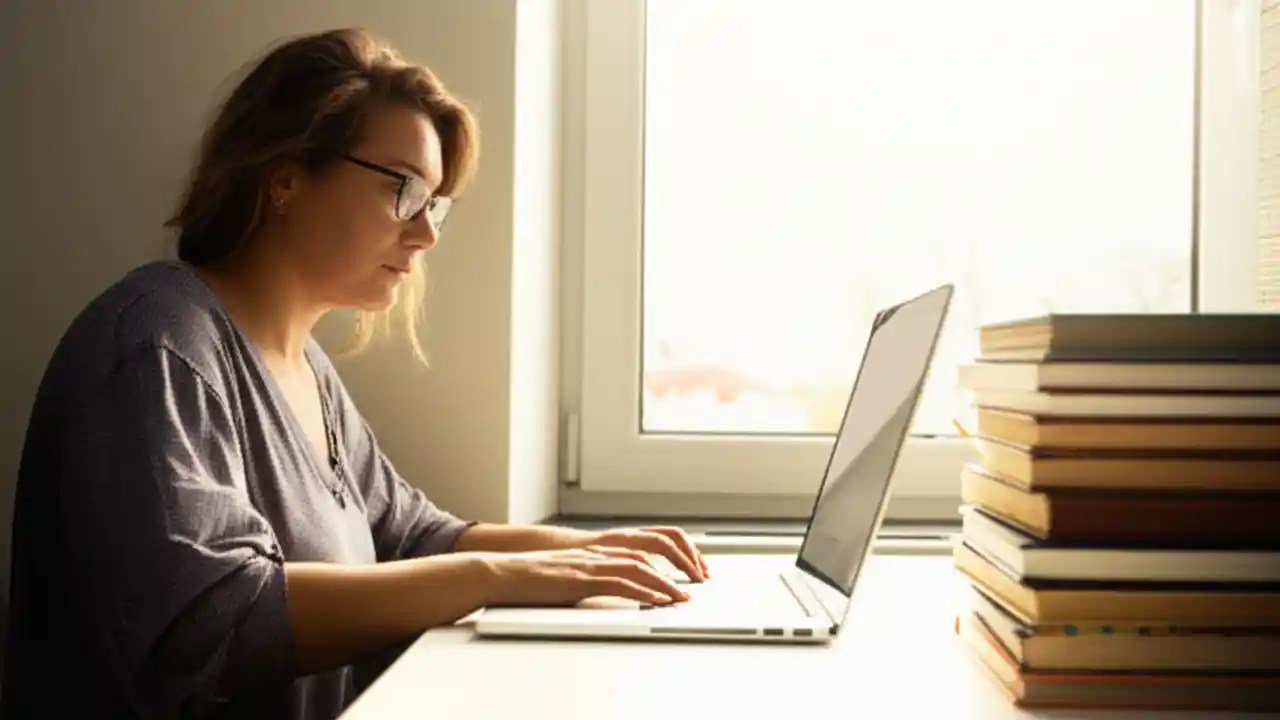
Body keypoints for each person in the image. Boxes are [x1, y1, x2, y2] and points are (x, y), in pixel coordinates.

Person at [2, 27, 709, 720]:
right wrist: (502, 577)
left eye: (433, 203)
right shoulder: (157, 348)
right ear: (284, 177)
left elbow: (408, 536)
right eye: (402, 190)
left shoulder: (304, 365)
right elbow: (216, 622)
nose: (426, 234)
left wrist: (591, 552)